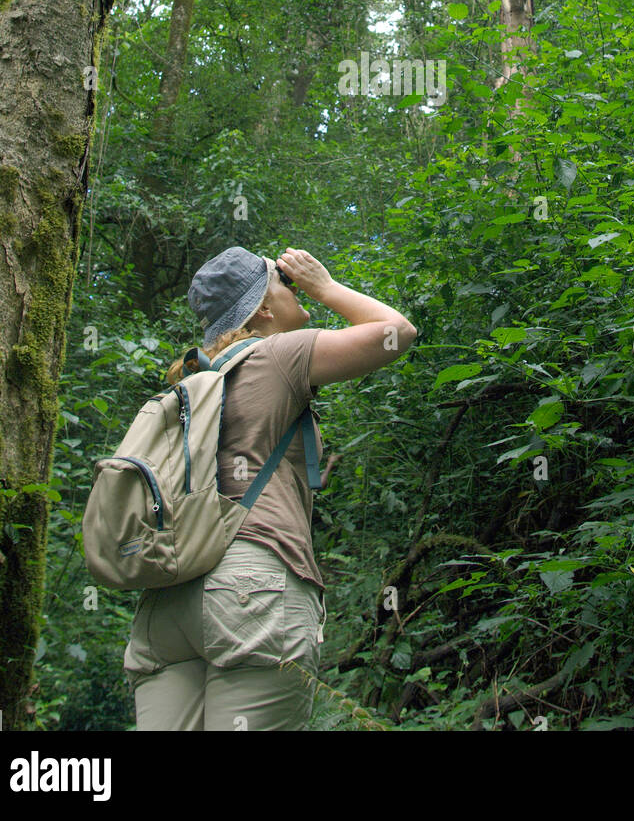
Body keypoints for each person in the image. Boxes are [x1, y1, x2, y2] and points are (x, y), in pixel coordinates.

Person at [122, 245, 417, 731]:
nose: (296, 288)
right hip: (249, 590)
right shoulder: (276, 354)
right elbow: (395, 333)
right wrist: (325, 286)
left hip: (167, 601)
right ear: (262, 308)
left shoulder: (193, 380)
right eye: (283, 283)